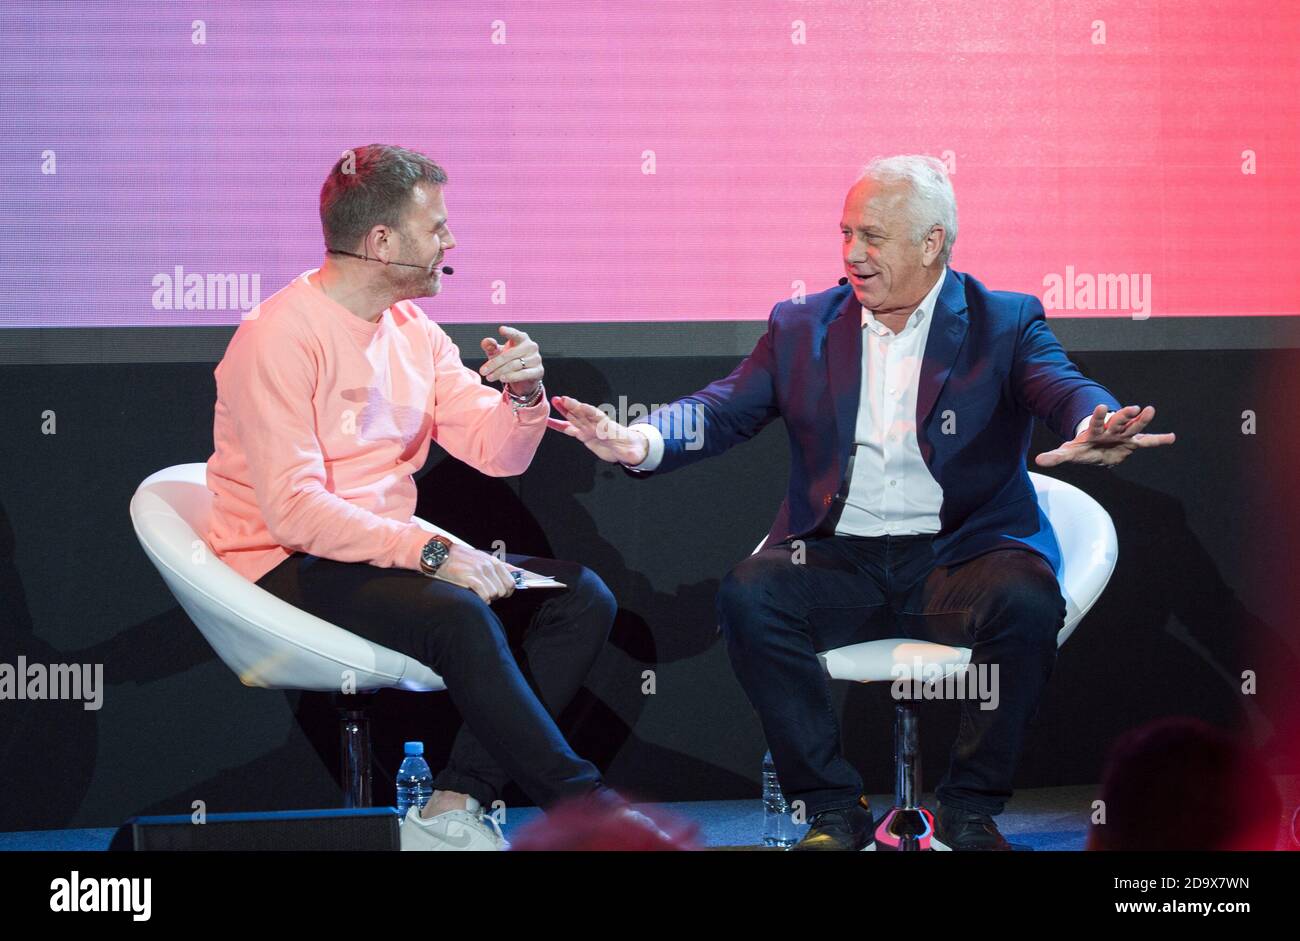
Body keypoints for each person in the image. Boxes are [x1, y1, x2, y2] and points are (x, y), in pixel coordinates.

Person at [549, 154, 1176, 850]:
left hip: (958, 559)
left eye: (872, 236)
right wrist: (637, 439)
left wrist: (1094, 422)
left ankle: (969, 808)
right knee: (752, 595)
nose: (853, 254)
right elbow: (723, 406)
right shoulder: (803, 324)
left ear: (931, 242)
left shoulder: (1004, 320)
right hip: (838, 560)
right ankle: (831, 808)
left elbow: (1062, 386)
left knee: (1027, 599)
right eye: (845, 233)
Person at [204, 143, 658, 851]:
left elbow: (495, 451)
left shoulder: (413, 331)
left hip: (372, 548)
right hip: (282, 560)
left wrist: (523, 394)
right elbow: (294, 509)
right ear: (381, 242)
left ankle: (453, 803)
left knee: (582, 596)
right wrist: (432, 550)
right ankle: (587, 811)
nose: (451, 241)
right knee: (457, 613)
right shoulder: (277, 337)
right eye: (437, 227)